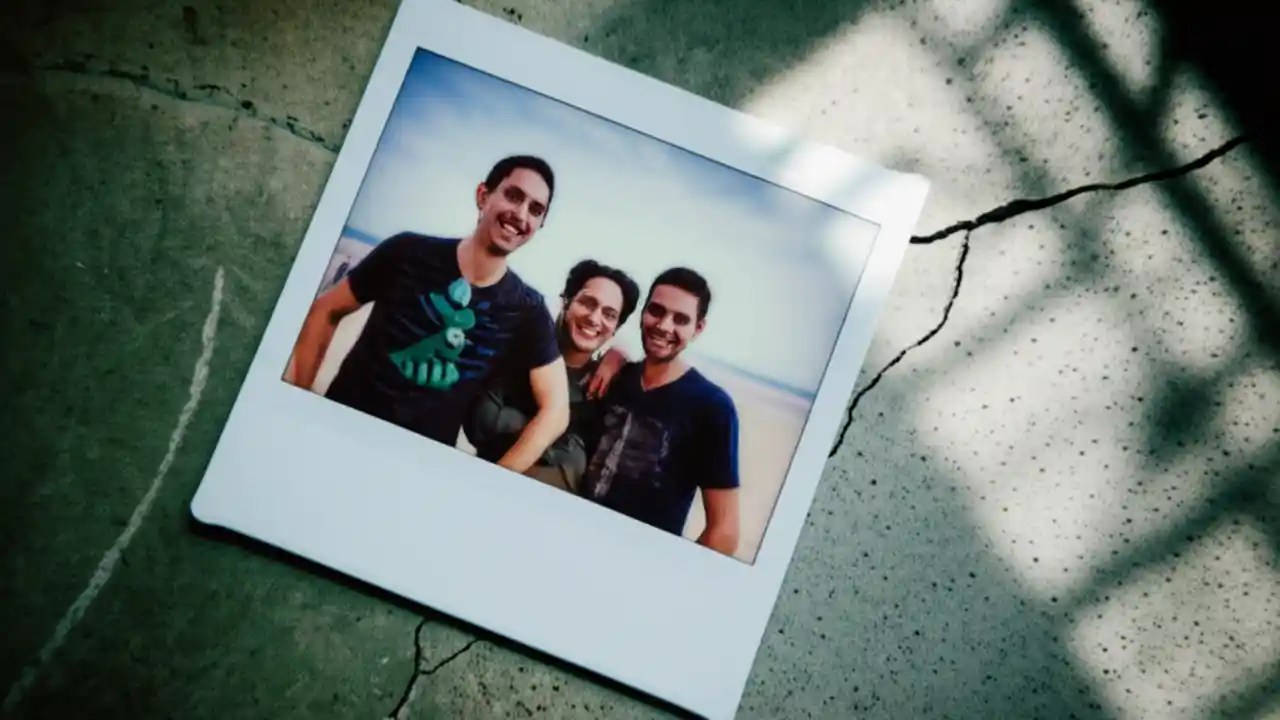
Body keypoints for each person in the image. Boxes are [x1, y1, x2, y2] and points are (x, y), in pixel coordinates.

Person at [288, 155, 569, 473]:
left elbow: (557, 411)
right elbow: (326, 310)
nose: (521, 215)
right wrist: (300, 402)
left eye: (535, 209)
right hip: (338, 435)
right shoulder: (407, 252)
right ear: (483, 195)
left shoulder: (527, 309)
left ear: (539, 226)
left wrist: (493, 479)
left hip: (419, 469)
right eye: (513, 195)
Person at [581, 267, 741, 556]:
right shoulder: (614, 378)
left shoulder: (711, 406)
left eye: (681, 319)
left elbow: (725, 531)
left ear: (698, 328)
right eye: (656, 311)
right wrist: (614, 354)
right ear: (643, 313)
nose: (664, 326)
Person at [465, 259, 640, 493]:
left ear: (616, 328)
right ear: (565, 300)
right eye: (588, 303)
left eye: (609, 315)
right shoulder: (514, 353)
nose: (594, 318)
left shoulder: (607, 389)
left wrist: (619, 354)